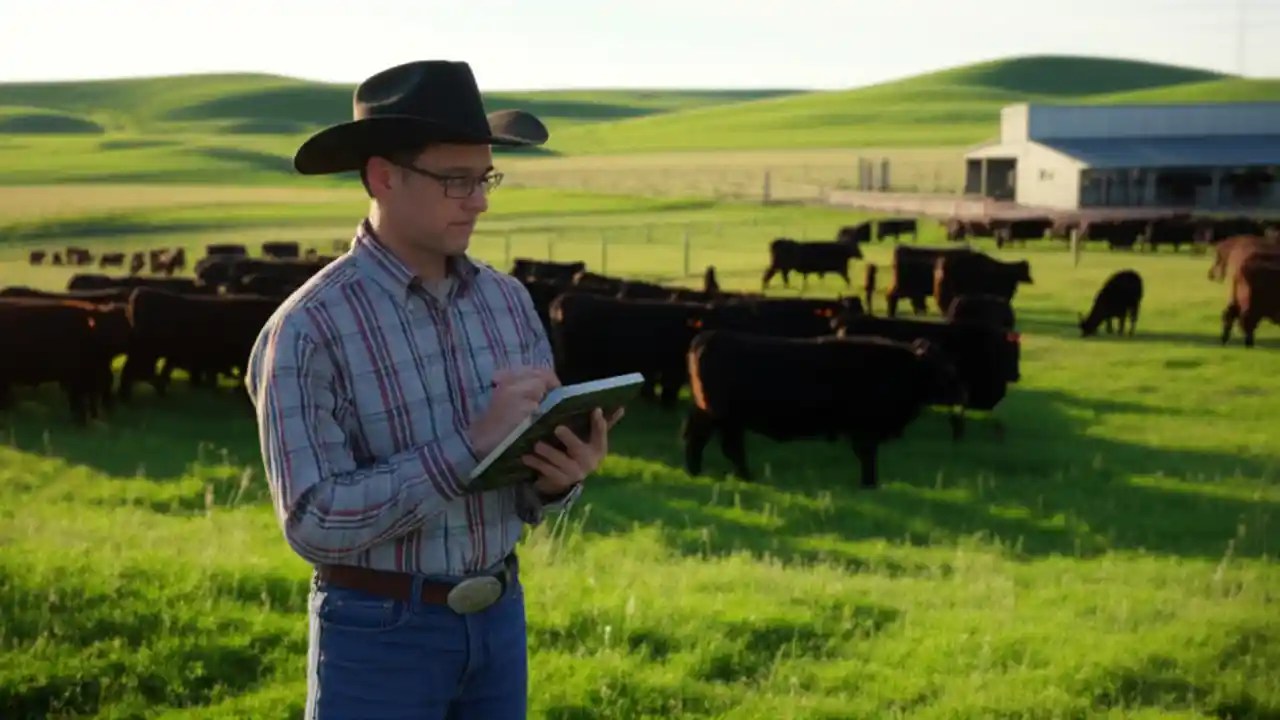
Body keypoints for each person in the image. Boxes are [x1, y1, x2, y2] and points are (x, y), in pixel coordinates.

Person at [243, 60, 623, 720]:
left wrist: (558, 477)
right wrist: (469, 444)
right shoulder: (308, 330)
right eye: (457, 181)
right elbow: (312, 520)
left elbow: (524, 488)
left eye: (485, 179)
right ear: (383, 177)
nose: (480, 200)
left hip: (500, 617)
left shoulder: (507, 303)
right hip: (376, 634)